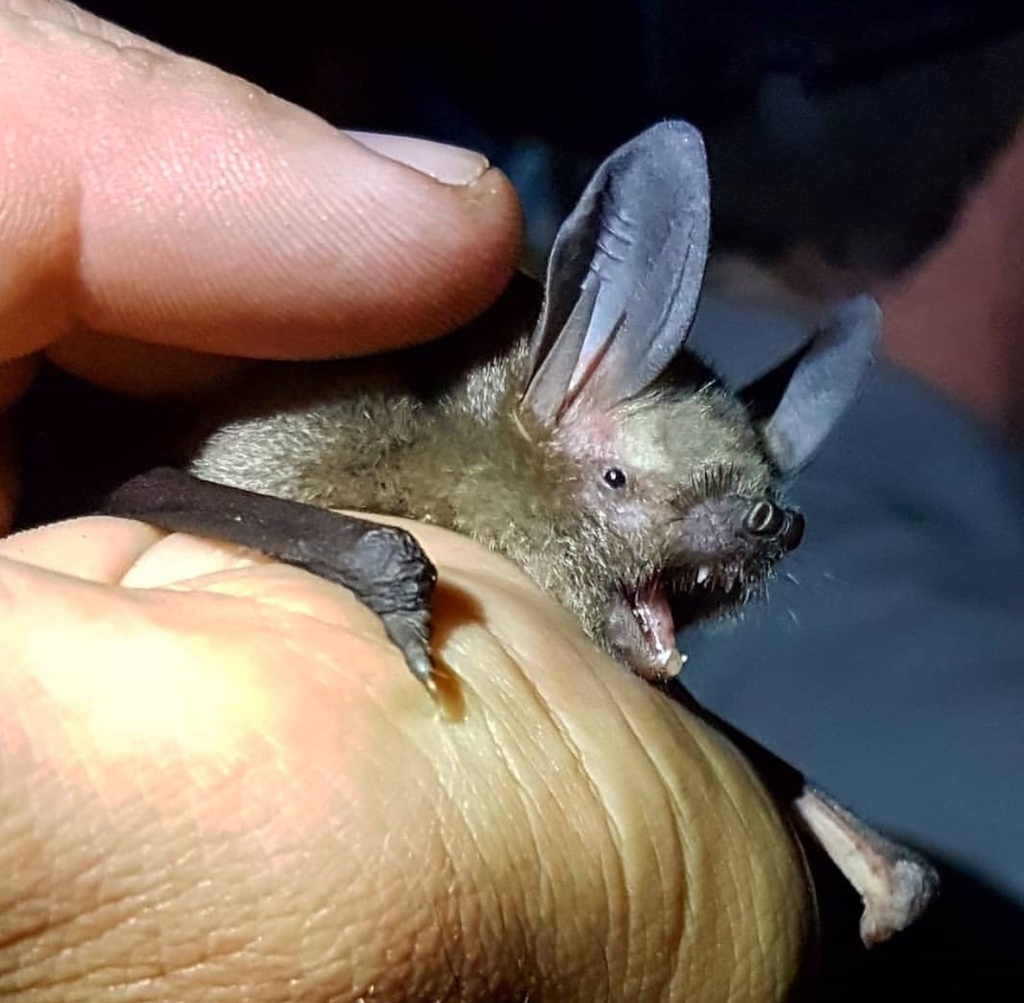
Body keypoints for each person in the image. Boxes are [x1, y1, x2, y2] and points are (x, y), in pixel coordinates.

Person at [0, 4, 812, 1000]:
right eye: (619, 485)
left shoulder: (553, 577)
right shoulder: (337, 437)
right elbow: (171, 479)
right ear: (542, 428)